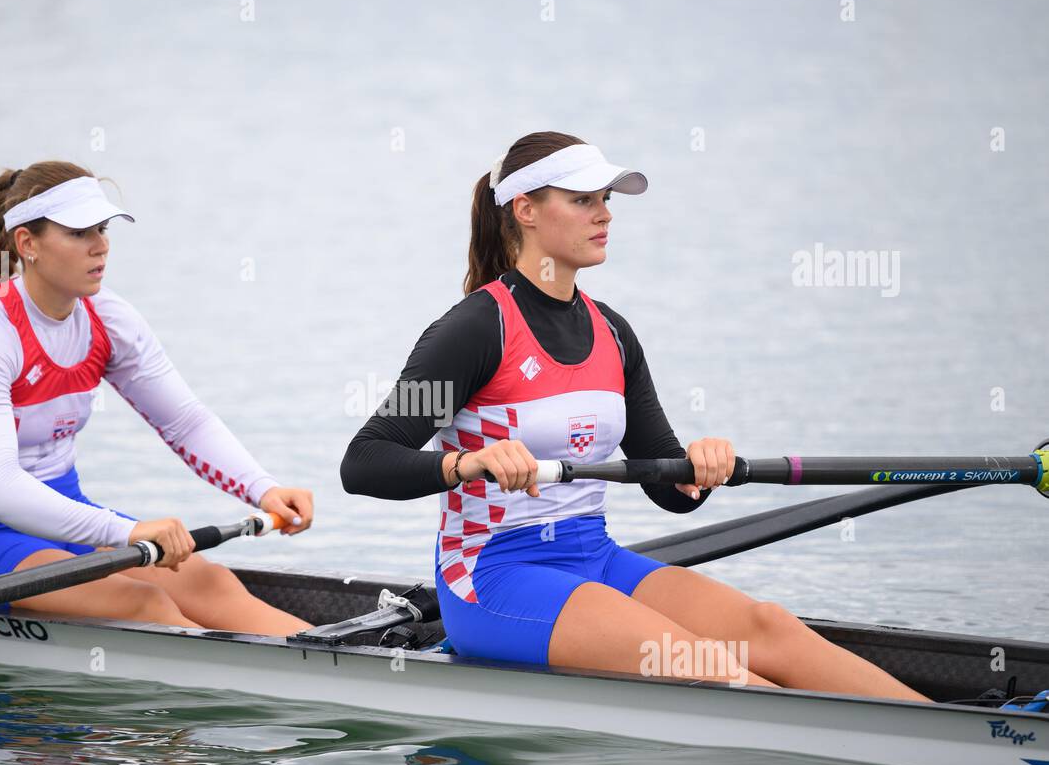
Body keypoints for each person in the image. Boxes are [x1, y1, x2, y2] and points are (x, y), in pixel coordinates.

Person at [340, 131, 930, 700]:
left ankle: (951, 729)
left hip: (592, 556)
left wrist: (699, 468)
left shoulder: (613, 334)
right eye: (583, 200)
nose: (604, 215)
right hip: (491, 574)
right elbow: (364, 462)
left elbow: (668, 485)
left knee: (767, 625)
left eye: (606, 200)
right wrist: (467, 463)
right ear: (526, 210)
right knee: (696, 659)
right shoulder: (476, 329)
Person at [0, 160, 312, 635]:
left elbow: (185, 422)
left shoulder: (108, 319)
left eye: (102, 229)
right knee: (142, 603)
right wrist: (123, 531)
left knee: (208, 583)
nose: (100, 245)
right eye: (80, 232)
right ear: (28, 244)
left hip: (63, 514)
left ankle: (335, 667)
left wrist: (262, 488)